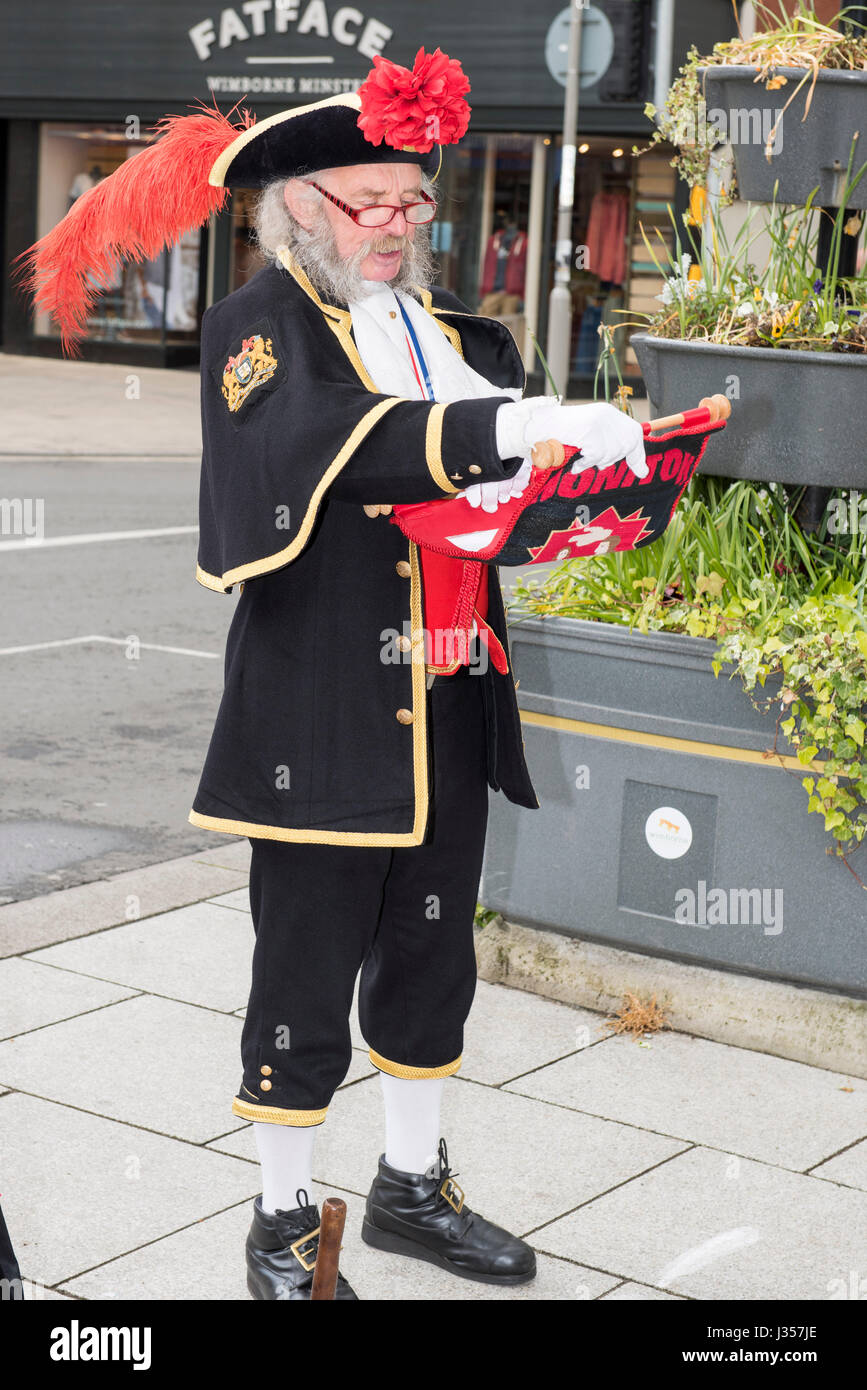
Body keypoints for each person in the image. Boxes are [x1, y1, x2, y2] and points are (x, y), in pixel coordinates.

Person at [17, 45, 644, 1301]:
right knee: (303, 970)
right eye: (378, 201)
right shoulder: (262, 326)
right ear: (302, 205)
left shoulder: (443, 329)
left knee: (431, 956)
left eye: (416, 202)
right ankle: (282, 1221)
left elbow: (491, 494)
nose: (404, 226)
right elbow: (328, 443)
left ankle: (411, 1187)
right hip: (325, 709)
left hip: (451, 689)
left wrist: (600, 482)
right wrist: (508, 428)